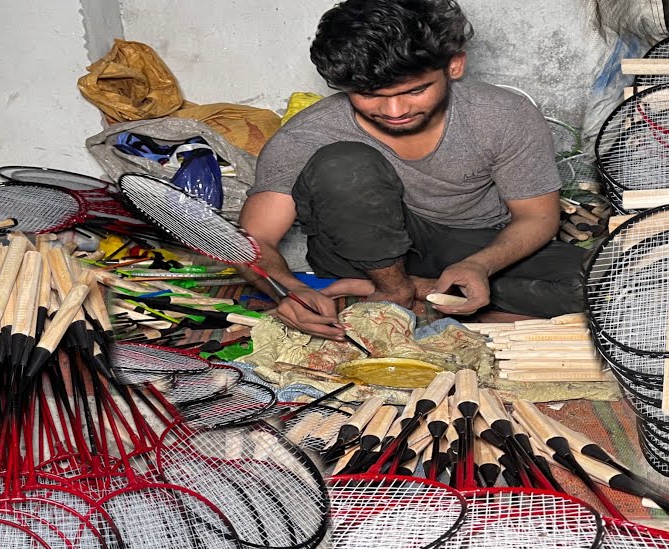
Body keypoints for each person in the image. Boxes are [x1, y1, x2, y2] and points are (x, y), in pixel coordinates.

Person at [238, 0, 586, 341]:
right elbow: (253, 239)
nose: (395, 110)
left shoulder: (503, 115)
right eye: (369, 95)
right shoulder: (309, 133)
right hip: (359, 253)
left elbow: (537, 217)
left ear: (454, 65)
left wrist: (481, 265)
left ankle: (416, 287)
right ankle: (393, 286)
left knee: (603, 284)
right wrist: (290, 289)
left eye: (415, 90)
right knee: (343, 165)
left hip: (470, 244)